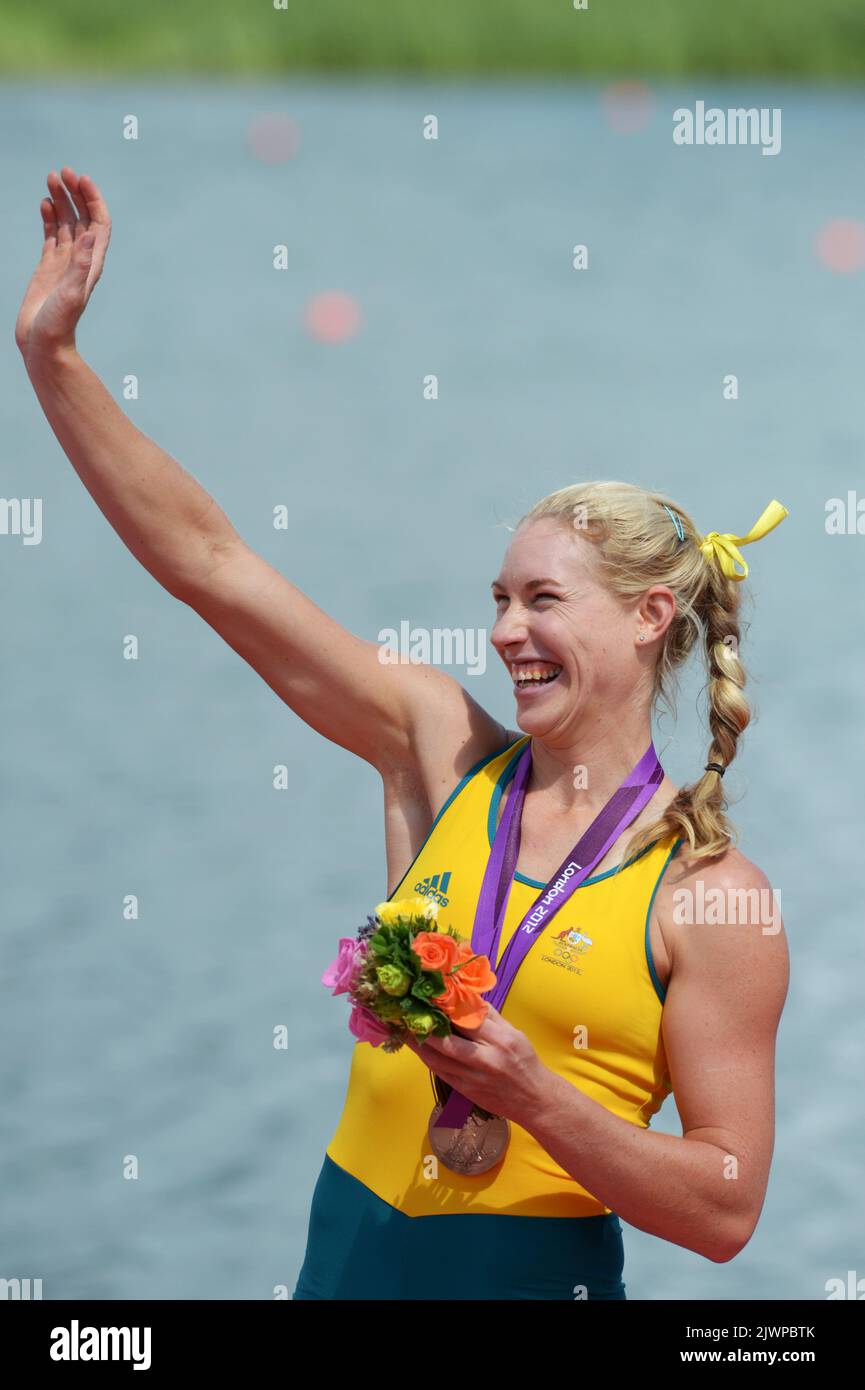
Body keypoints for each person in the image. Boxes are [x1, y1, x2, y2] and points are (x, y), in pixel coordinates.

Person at [16, 168, 790, 1302]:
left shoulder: (711, 898)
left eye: (541, 600)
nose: (504, 632)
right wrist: (53, 359)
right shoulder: (440, 752)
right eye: (497, 599)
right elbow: (216, 569)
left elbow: (726, 1207)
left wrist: (535, 1097)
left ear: (647, 617)